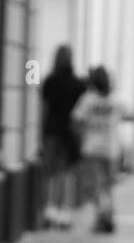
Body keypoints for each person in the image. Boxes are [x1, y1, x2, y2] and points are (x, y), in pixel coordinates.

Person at [71, 66, 125, 233]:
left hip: (92, 147)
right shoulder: (115, 100)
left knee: (94, 186)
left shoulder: (88, 99)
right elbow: (125, 115)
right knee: (107, 186)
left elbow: (76, 119)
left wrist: (81, 134)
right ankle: (107, 216)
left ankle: (102, 216)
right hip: (111, 148)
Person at [41, 45, 86, 229]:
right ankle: (65, 212)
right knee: (67, 173)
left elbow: (44, 109)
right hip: (70, 134)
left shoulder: (50, 81)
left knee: (51, 172)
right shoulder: (78, 83)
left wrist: (42, 133)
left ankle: (50, 209)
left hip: (52, 132)